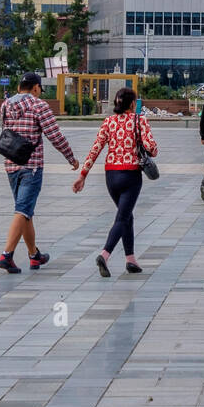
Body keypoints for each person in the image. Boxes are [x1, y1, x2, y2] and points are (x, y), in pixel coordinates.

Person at [0, 72, 80, 274]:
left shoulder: (5, 105)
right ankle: (6, 255)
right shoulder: (40, 106)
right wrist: (71, 158)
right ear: (35, 88)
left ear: (19, 88)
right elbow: (55, 135)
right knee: (23, 210)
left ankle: (34, 256)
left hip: (11, 164)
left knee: (25, 212)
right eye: (39, 89)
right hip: (31, 166)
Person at [72, 87, 158, 277]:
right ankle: (105, 254)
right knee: (122, 217)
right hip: (131, 176)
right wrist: (147, 147)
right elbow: (152, 148)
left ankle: (130, 260)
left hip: (111, 176)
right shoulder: (139, 120)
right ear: (131, 104)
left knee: (127, 216)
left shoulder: (108, 122)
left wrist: (82, 175)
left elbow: (95, 149)